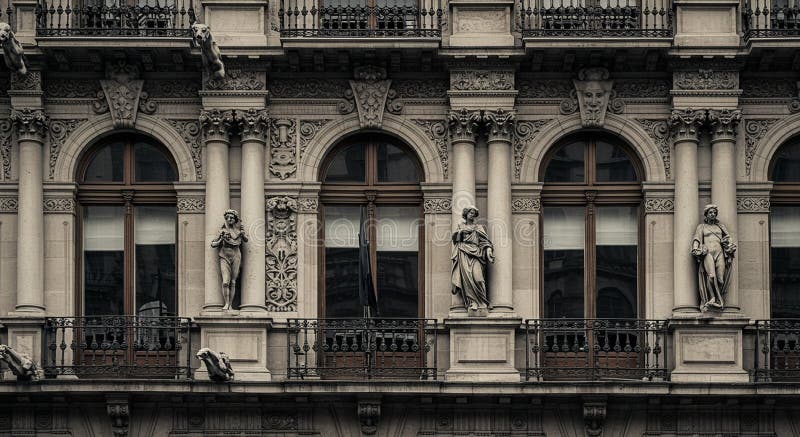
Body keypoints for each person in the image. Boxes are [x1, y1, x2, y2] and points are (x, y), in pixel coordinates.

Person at [691, 204, 736, 311]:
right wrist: (695, 248)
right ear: (706, 214)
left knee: (720, 279)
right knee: (711, 276)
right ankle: (712, 298)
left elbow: (728, 238)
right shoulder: (701, 227)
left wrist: (729, 245)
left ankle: (718, 299)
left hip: (719, 252)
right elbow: (697, 239)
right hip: (707, 253)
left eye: (715, 213)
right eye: (711, 212)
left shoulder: (720, 227)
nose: (713, 214)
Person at [451, 206, 495, 312]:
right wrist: (460, 232)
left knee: (478, 279)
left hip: (476, 254)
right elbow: (455, 239)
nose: (472, 214)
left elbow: (485, 241)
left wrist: (488, 251)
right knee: (467, 280)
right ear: (466, 214)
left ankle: (482, 302)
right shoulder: (460, 226)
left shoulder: (478, 227)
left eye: (474, 213)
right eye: (470, 212)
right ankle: (473, 302)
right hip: (464, 253)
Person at [211, 209, 248, 311]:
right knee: (225, 282)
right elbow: (213, 244)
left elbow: (246, 239)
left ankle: (230, 304)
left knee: (233, 282)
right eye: (227, 218)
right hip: (224, 256)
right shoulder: (222, 231)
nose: (229, 219)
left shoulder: (238, 231)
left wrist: (242, 233)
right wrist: (221, 239)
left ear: (235, 219)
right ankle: (226, 303)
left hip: (236, 255)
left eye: (231, 218)